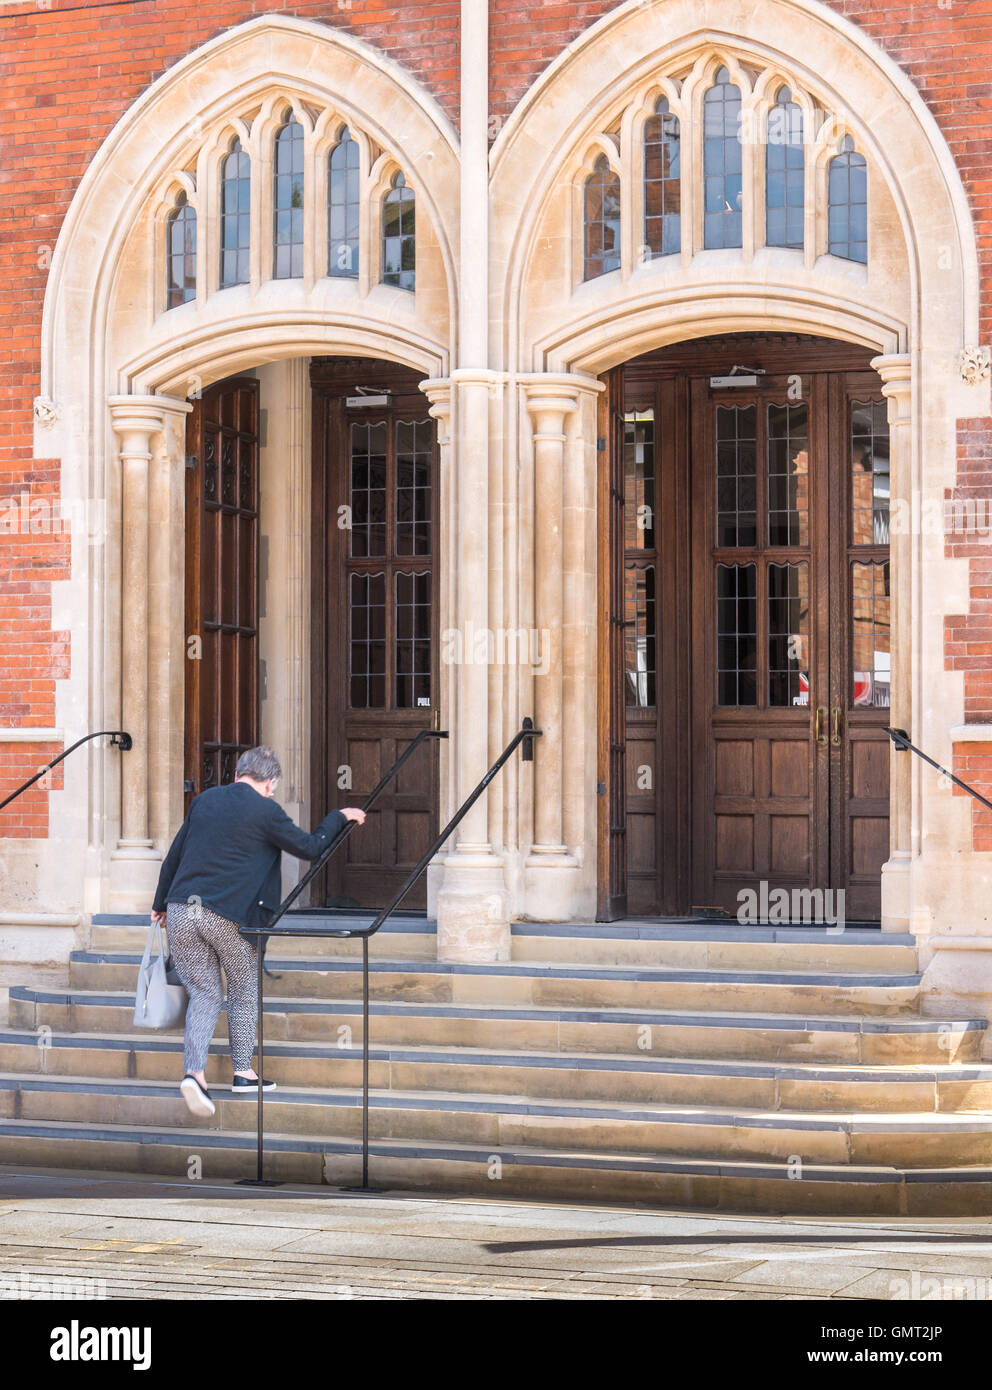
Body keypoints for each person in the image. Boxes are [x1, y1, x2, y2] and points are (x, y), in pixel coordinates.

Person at [151, 745, 366, 1118]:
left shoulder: (205, 801)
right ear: (270, 783)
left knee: (204, 994)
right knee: (243, 990)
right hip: (228, 917)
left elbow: (175, 854)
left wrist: (159, 904)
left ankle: (195, 1074)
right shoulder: (266, 810)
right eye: (273, 786)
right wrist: (339, 816)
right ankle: (243, 1073)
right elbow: (310, 848)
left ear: (237, 775)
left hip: (182, 909)